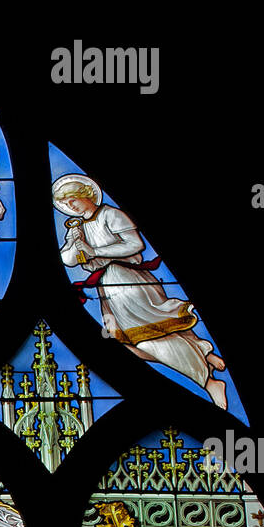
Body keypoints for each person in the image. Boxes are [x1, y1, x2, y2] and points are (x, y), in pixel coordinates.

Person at [53, 174, 228, 408]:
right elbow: (68, 260)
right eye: (64, 204)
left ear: (85, 195)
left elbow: (136, 245)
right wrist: (76, 244)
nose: (69, 206)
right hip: (108, 288)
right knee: (139, 339)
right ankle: (203, 353)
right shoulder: (77, 228)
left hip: (129, 281)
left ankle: (208, 382)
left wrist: (95, 252)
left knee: (149, 336)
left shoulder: (110, 215)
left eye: (71, 200)